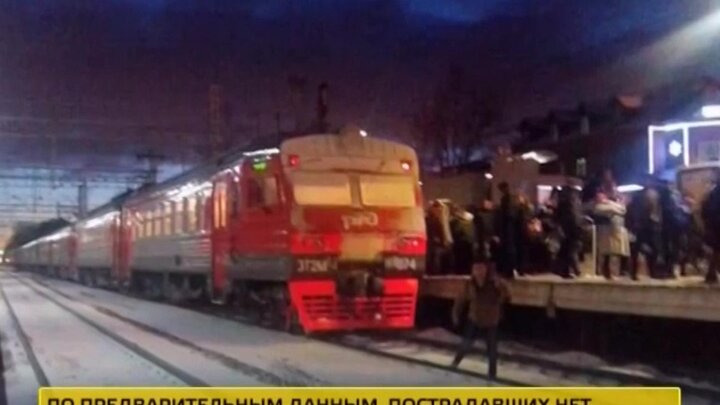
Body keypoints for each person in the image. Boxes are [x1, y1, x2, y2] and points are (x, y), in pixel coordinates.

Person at [451, 261, 510, 379]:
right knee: (466, 344)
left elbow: (506, 297)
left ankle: (492, 373)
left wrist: (500, 287)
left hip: (490, 319)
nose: (478, 272)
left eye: (481, 269)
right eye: (476, 269)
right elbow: (460, 299)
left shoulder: (494, 282)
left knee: (491, 348)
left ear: (486, 270)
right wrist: (455, 314)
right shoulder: (470, 284)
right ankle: (455, 363)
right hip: (474, 318)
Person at [592, 191, 630, 279]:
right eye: (599, 197)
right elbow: (618, 210)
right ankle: (607, 272)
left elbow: (623, 210)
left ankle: (619, 272)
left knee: (619, 252)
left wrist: (618, 206)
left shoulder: (610, 203)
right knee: (607, 253)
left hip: (616, 230)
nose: (602, 198)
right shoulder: (599, 207)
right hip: (606, 232)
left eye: (602, 196)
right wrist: (618, 207)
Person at [556, 186, 583, 278]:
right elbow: (576, 217)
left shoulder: (562, 202)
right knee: (572, 249)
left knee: (566, 250)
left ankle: (566, 271)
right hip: (574, 229)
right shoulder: (574, 202)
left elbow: (558, 216)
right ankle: (576, 270)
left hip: (566, 229)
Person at [494, 182, 519, 279]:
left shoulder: (506, 199)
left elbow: (507, 214)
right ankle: (510, 269)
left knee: (508, 248)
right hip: (509, 227)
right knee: (509, 248)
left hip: (507, 227)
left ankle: (509, 270)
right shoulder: (511, 199)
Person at [426, 200, 453, 275]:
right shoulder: (432, 219)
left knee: (439, 256)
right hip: (436, 242)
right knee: (436, 256)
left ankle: (440, 271)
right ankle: (435, 271)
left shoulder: (442, 218)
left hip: (440, 242)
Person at [449, 204, 476, 274]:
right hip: (469, 242)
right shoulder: (471, 220)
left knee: (460, 259)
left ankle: (460, 271)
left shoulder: (457, 221)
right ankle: (467, 271)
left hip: (461, 243)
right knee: (468, 259)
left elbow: (457, 231)